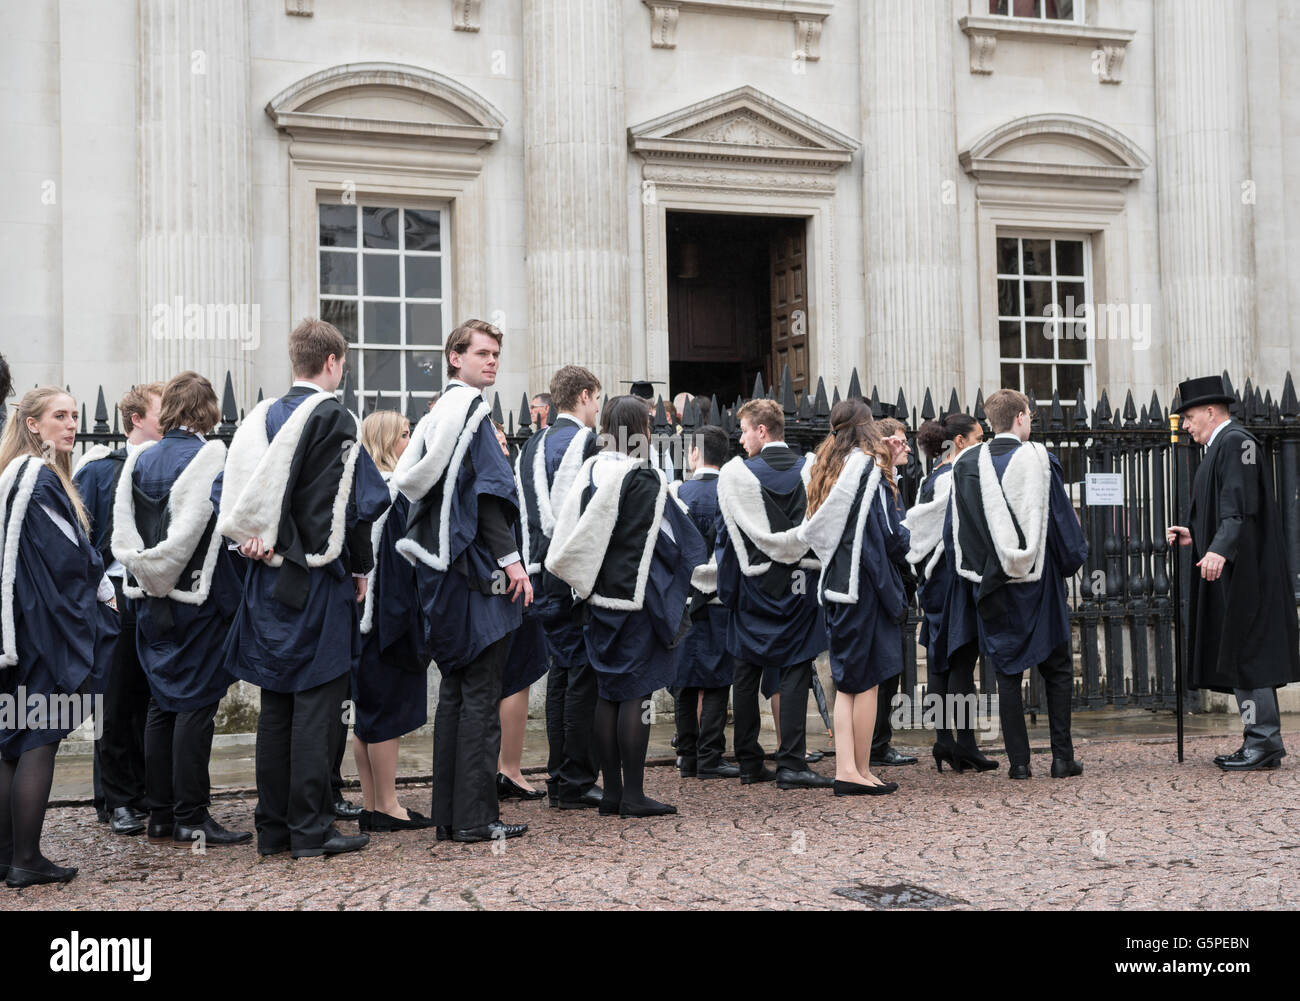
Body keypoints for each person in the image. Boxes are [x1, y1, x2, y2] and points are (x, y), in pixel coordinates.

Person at [218, 318, 391, 858]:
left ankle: (273, 828)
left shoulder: (258, 417)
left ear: (295, 360)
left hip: (265, 582)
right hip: (315, 584)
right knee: (317, 707)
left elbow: (228, 494)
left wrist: (258, 539)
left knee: (277, 706)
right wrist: (362, 569)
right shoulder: (336, 419)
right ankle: (311, 830)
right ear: (333, 362)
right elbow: (357, 507)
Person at [396, 318, 531, 844]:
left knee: (455, 691)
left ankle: (451, 816)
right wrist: (513, 561)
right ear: (455, 357)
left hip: (440, 574)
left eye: (496, 353)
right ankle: (477, 818)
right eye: (482, 353)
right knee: (480, 694)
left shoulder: (436, 416)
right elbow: (490, 499)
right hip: (477, 575)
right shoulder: (472, 414)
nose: (492, 361)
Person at [546, 396, 705, 817]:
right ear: (639, 428)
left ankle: (612, 793)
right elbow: (674, 538)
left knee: (607, 693)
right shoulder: (642, 476)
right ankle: (633, 795)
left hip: (595, 597)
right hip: (635, 599)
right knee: (635, 694)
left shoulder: (591, 469)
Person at [111, 372, 250, 847]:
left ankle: (161, 815)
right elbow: (226, 528)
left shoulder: (142, 459)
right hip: (197, 598)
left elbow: (124, 526)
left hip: (148, 597)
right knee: (195, 706)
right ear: (207, 410)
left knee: (161, 705)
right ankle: (191, 814)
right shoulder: (211, 458)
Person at [0, 388, 120, 886]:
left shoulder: (11, 473)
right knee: (40, 737)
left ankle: (9, 856)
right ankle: (26, 858)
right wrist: (104, 590)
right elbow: (70, 557)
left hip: (20, 625)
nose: (71, 425)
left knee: (12, 737)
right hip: (43, 629)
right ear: (32, 424)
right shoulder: (37, 476)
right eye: (59, 416)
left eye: (74, 416)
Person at [948, 389, 1088, 780]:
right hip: (1039, 582)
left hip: (991, 583)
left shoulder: (965, 464)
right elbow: (1062, 523)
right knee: (1057, 668)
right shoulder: (1041, 460)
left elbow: (957, 531)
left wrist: (979, 574)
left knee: (1006, 673)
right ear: (1021, 417)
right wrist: (1073, 560)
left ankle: (1019, 763)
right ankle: (1062, 759)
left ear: (991, 420)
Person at [1167, 375, 1300, 770]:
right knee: (1243, 653)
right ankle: (1258, 741)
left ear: (1211, 411)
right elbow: (1228, 509)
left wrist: (1219, 550)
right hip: (1239, 567)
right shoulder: (1222, 445)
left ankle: (1262, 742)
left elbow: (1240, 508)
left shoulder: (1236, 442)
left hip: (1247, 572)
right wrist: (1199, 536)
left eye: (1189, 417)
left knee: (1248, 654)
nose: (1186, 426)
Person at [714, 399, 831, 790]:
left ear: (762, 431)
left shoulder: (736, 476)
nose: (741, 438)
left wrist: (729, 591)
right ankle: (792, 762)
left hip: (754, 585)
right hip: (800, 584)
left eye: (745, 430)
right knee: (796, 668)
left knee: (745, 672)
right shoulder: (811, 471)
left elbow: (728, 541)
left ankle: (749, 762)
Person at [799, 401, 906, 796]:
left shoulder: (827, 467)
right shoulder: (867, 470)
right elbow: (892, 533)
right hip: (865, 586)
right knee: (859, 683)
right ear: (867, 428)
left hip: (839, 584)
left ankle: (860, 769)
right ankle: (849, 769)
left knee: (857, 681)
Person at [74, 383, 164, 835]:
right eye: (161, 411)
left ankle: (146, 791)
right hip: (112, 596)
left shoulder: (172, 465)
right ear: (136, 419)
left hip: (158, 595)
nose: (169, 419)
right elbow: (81, 543)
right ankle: (117, 798)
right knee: (112, 698)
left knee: (152, 697)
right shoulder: (99, 470)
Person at [516, 366, 604, 810]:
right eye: (596, 400)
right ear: (584, 396)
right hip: (570, 572)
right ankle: (575, 780)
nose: (597, 410)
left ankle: (558, 776)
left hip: (536, 570)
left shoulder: (532, 444)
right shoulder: (585, 442)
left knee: (561, 673)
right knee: (581, 674)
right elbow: (587, 512)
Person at [353, 410, 432, 833]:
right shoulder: (394, 495)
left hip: (364, 622)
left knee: (366, 716)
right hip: (388, 620)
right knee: (385, 713)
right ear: (386, 443)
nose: (410, 441)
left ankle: (371, 803)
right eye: (404, 435)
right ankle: (387, 805)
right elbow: (402, 569)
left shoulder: (366, 491)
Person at [906, 414, 996, 773]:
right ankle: (965, 743)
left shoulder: (932, 477)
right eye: (977, 437)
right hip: (952, 577)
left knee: (941, 661)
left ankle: (947, 741)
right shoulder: (956, 476)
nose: (983, 443)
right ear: (959, 441)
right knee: (960, 659)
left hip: (934, 578)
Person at [669, 425, 738, 780]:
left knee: (684, 678)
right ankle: (711, 754)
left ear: (695, 453)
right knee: (716, 678)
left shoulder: (677, 492)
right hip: (720, 597)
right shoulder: (732, 492)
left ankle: (687, 755)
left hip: (684, 599)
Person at [492, 421, 546, 801]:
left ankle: (503, 767)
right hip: (511, 587)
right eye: (496, 441)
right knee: (516, 677)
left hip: (498, 588)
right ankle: (507, 769)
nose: (505, 447)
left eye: (504, 441)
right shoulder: (499, 480)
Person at [868, 416, 919, 769]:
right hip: (888, 584)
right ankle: (877, 745)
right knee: (885, 669)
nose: (907, 447)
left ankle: (877, 743)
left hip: (897, 582)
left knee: (892, 668)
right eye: (901, 441)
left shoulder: (898, 480)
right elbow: (892, 536)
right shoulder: (880, 481)